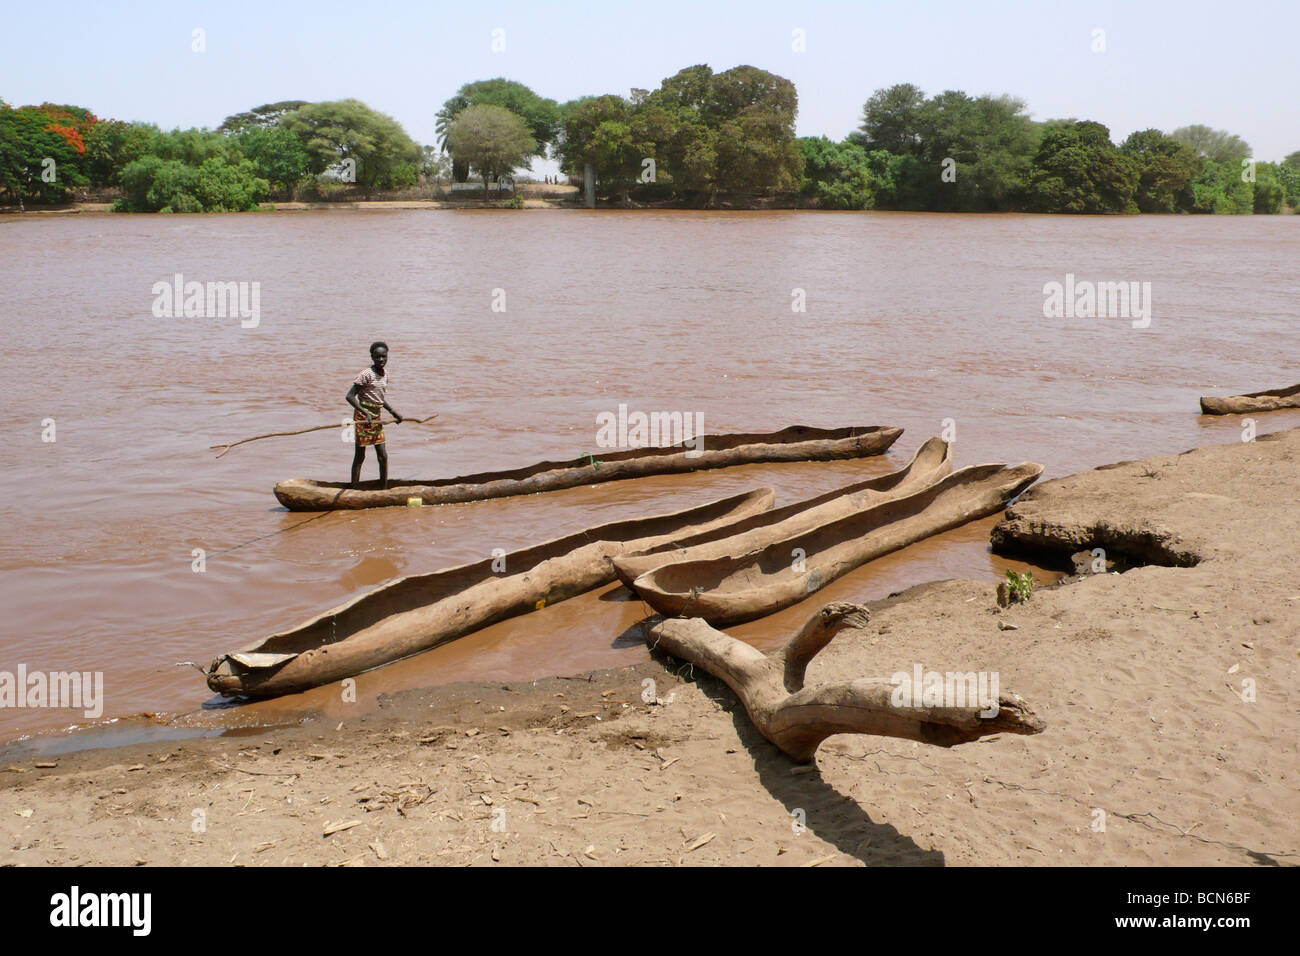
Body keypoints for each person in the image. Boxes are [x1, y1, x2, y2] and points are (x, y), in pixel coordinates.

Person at [346, 341, 403, 487]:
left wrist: (393, 412)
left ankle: (383, 489)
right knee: (360, 456)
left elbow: (379, 399)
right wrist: (365, 413)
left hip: (376, 418)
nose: (381, 360)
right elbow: (350, 396)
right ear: (372, 357)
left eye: (383, 357)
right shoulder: (366, 374)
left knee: (383, 456)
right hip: (363, 418)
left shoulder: (385, 375)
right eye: (377, 357)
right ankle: (354, 489)